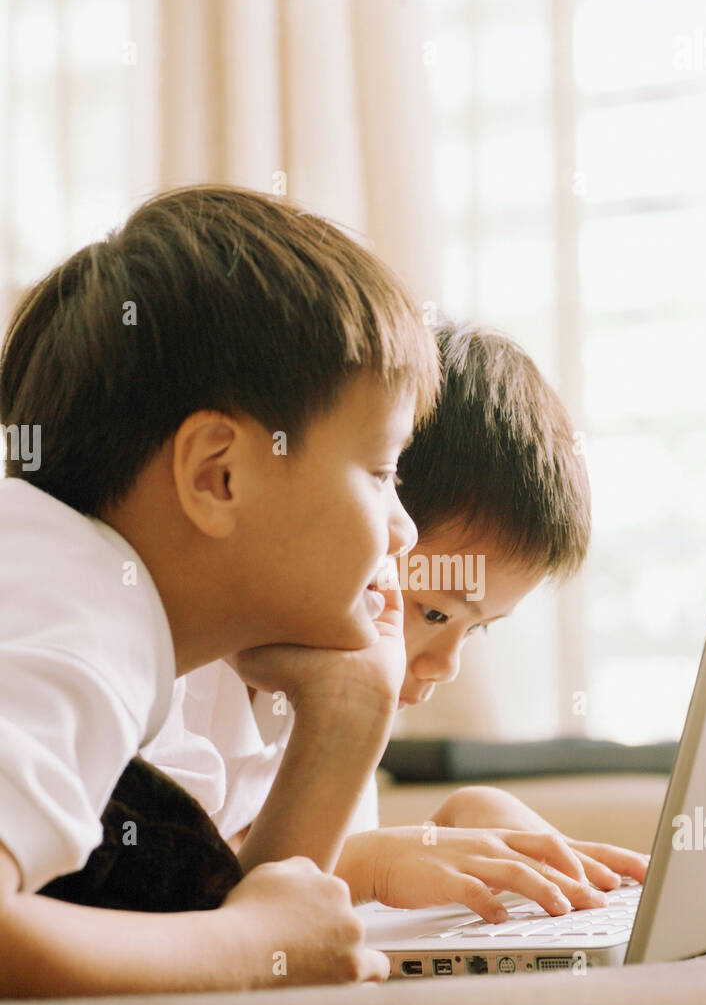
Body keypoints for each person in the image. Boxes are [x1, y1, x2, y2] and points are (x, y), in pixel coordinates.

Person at [0, 183, 440, 997]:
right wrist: (246, 945)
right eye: (380, 472)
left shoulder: (96, 612)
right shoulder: (75, 607)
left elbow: (238, 952)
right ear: (219, 475)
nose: (403, 530)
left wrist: (350, 713)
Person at [145, 320, 649, 923]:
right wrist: (368, 864)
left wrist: (451, 824)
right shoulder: (172, 665)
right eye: (434, 611)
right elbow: (181, 912)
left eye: (478, 626)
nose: (445, 665)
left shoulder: (346, 669)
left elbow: (286, 857)